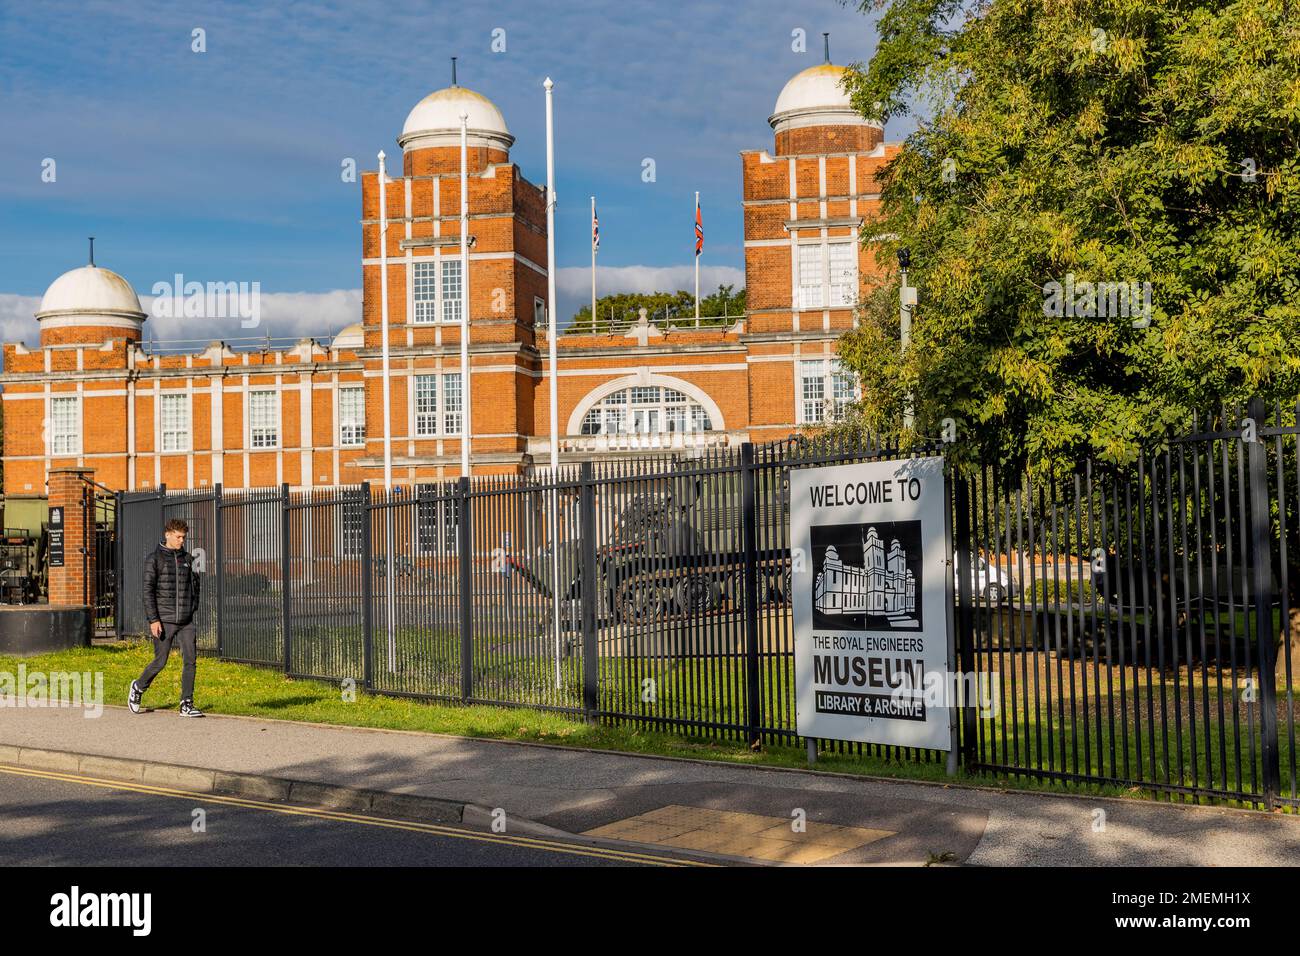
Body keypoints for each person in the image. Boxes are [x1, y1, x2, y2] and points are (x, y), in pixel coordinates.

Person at [128, 518, 203, 717]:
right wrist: (153, 620)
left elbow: (196, 587)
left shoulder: (188, 559)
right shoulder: (154, 559)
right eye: (178, 537)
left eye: (183, 537)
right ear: (168, 534)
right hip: (164, 620)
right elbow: (147, 592)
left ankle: (186, 703)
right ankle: (138, 687)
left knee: (191, 661)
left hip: (186, 621)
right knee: (160, 662)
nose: (181, 541)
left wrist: (192, 609)